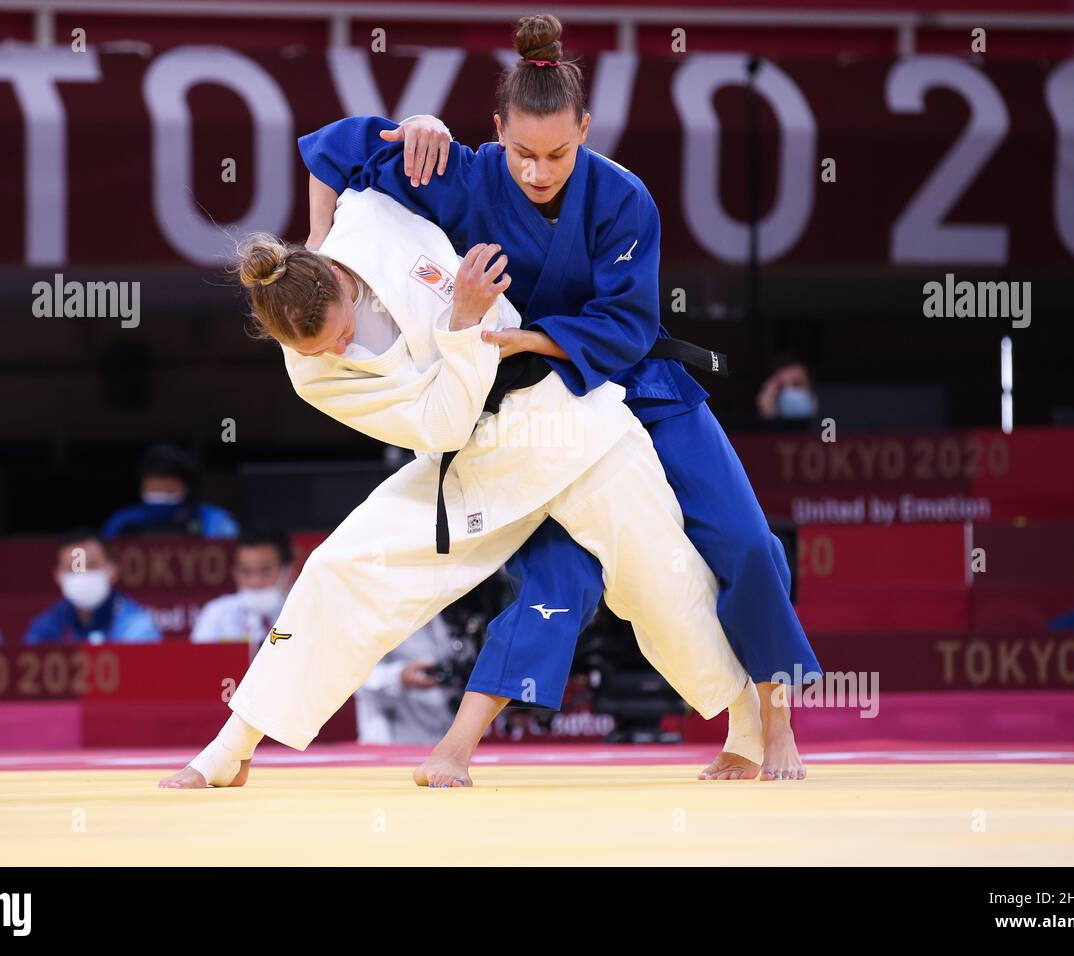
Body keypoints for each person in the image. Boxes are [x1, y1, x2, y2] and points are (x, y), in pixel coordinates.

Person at [296, 13, 819, 783]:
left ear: (587, 129)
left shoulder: (624, 197)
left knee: (746, 542)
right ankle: (454, 751)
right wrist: (320, 248)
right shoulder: (459, 171)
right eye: (523, 153)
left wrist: (522, 341)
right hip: (542, 418)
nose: (540, 171)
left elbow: (626, 321)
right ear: (496, 129)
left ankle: (773, 729)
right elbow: (331, 151)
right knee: (557, 577)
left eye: (559, 154)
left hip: (639, 384)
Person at [158, 185, 761, 789]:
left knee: (661, 575)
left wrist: (425, 122)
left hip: (570, 422)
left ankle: (748, 726)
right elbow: (442, 425)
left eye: (338, 332)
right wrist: (463, 322)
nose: (337, 351)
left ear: (340, 279)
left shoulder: (370, 219)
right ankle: (232, 746)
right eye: (315, 349)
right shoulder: (310, 375)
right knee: (339, 567)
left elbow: (349, 148)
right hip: (472, 464)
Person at [25, 531, 161, 644]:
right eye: (73, 568)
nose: (82, 575)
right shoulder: (44, 627)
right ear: (58, 576)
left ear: (112, 570)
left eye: (92, 566)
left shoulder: (137, 627)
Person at [355, 616, 457, 745]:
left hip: (444, 737)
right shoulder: (373, 614)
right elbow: (357, 679)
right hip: (391, 742)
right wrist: (399, 676)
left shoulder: (448, 613)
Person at [102, 444, 239, 539]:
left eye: (168, 490)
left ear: (187, 488)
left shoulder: (216, 521)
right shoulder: (122, 522)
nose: (160, 495)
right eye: (153, 490)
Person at [191, 529, 292, 644]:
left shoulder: (302, 612)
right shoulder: (217, 614)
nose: (256, 582)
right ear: (235, 574)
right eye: (246, 571)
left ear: (287, 571)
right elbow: (199, 659)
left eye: (266, 571)